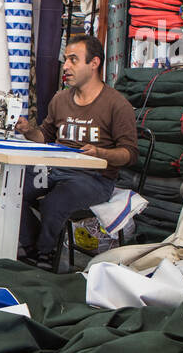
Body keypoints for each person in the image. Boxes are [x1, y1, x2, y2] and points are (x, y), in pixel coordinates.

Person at [14, 33, 138, 266]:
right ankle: (31, 247)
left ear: (94, 64)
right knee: (10, 187)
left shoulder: (117, 105)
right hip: (56, 171)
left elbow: (129, 154)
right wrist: (27, 130)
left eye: (73, 60)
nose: (66, 66)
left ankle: (45, 254)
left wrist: (102, 153)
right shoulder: (60, 99)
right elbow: (44, 136)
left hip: (95, 179)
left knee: (55, 201)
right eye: (65, 60)